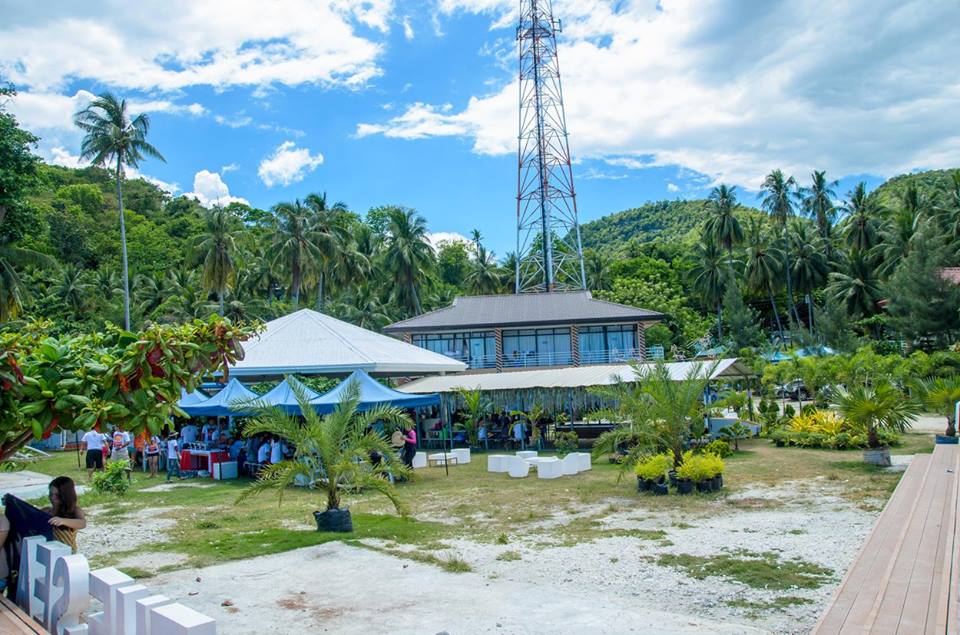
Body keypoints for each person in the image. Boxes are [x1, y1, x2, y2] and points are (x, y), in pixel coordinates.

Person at [42, 477, 86, 554]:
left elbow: (82, 523)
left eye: (57, 495)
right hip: (48, 551)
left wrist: (63, 521)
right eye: (51, 494)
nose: (52, 498)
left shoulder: (74, 510)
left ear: (65, 495)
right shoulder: (46, 510)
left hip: (67, 554)